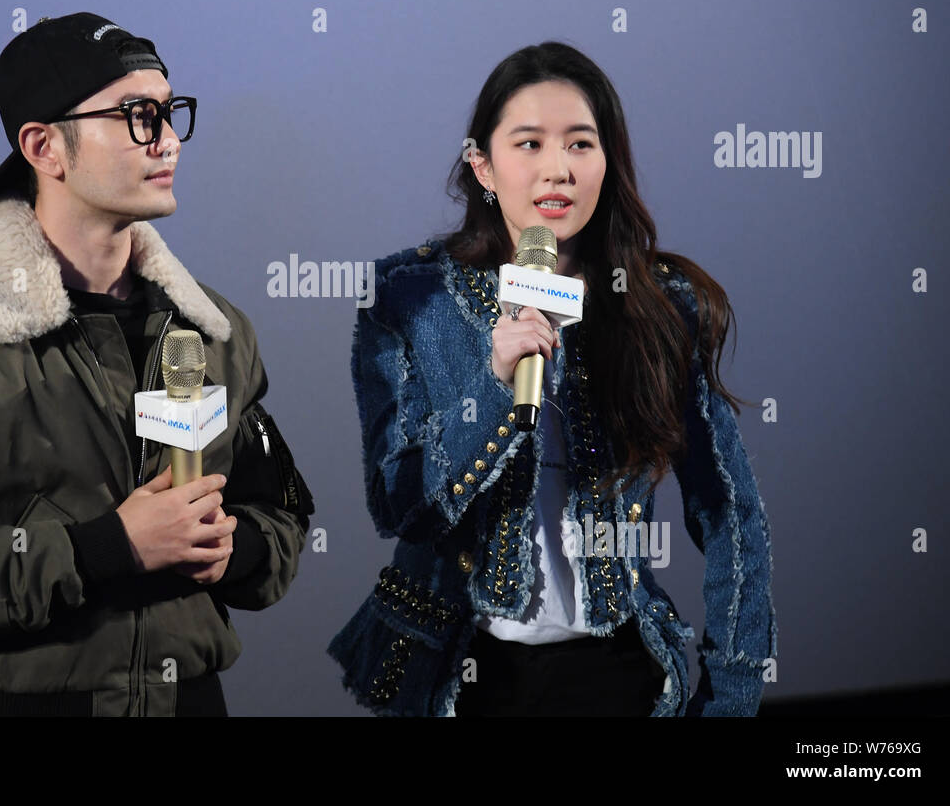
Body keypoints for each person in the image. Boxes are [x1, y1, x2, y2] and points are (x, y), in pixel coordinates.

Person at [0, 12, 312, 716]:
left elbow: (281, 513)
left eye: (171, 112)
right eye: (137, 116)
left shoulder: (217, 332)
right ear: (43, 147)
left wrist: (231, 551)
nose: (169, 140)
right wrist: (105, 549)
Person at [327, 42, 776, 716]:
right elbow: (399, 507)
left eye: (580, 145)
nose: (557, 170)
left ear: (607, 163)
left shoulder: (657, 303)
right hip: (462, 667)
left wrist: (732, 699)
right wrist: (497, 387)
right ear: (483, 165)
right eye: (529, 144)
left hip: (614, 669)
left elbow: (729, 515)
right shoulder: (409, 297)